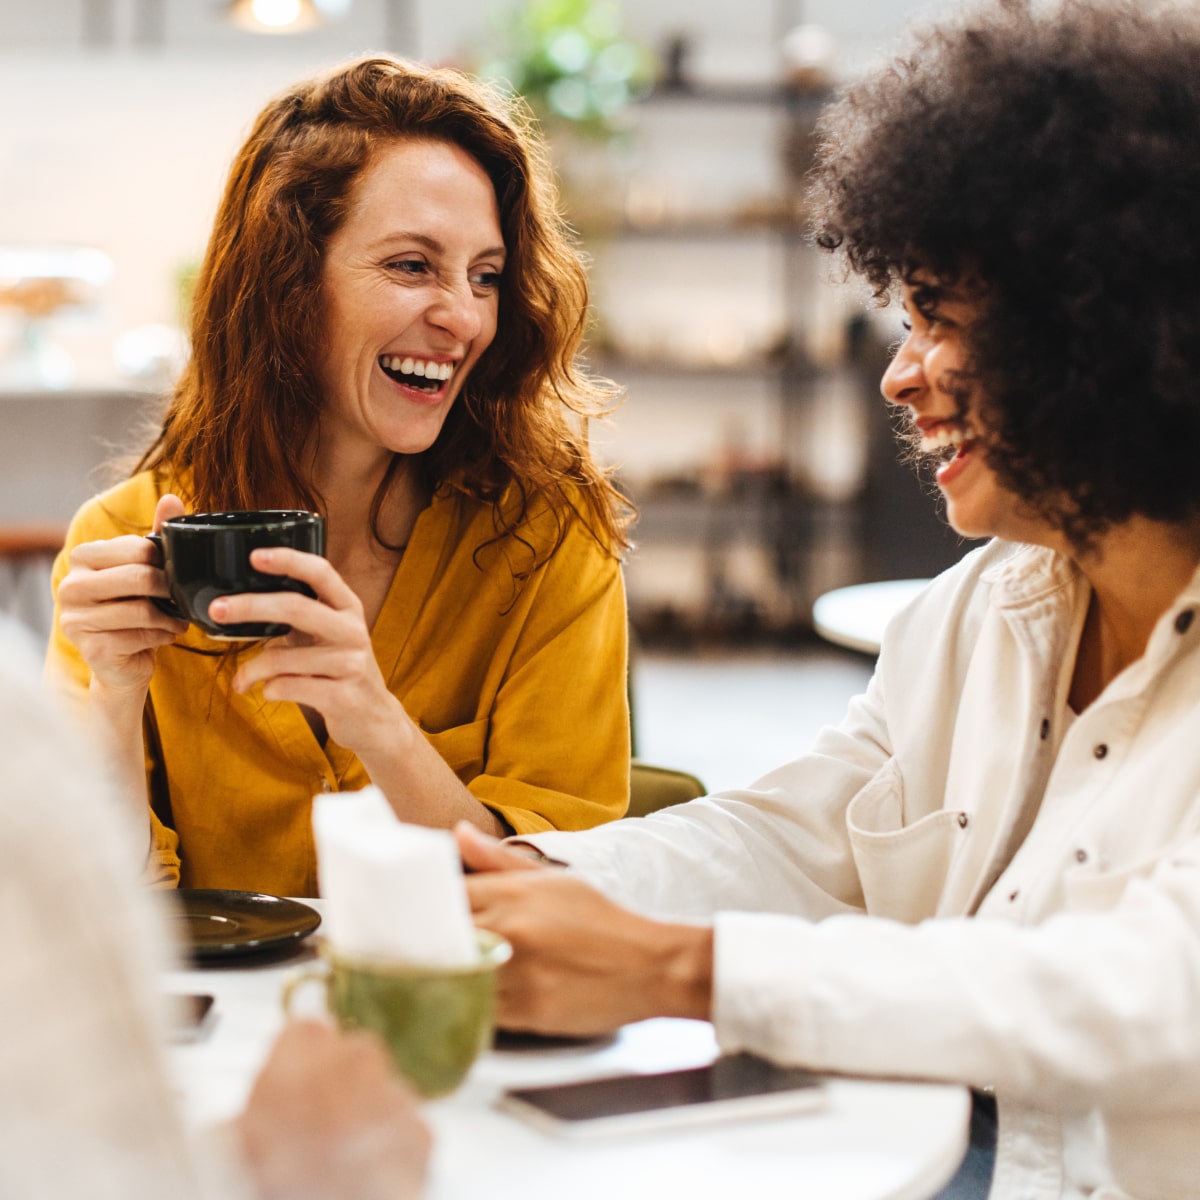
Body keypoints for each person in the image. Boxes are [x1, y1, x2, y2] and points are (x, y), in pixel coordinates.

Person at [455, 2, 1200, 1197]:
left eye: (940, 321)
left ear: (1098, 331)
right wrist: (534, 878)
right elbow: (794, 837)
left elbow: (1144, 992)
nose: (900, 376)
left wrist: (680, 971)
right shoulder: (973, 617)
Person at [47, 56, 633, 895]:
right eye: (410, 265)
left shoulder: (546, 539)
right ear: (286, 282)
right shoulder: (119, 546)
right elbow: (88, 918)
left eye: (486, 276)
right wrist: (114, 696)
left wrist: (377, 725)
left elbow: (562, 891)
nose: (463, 318)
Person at [0, 614, 430, 1200]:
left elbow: (558, 865)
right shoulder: (102, 578)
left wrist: (387, 731)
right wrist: (114, 697)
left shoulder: (535, 555)